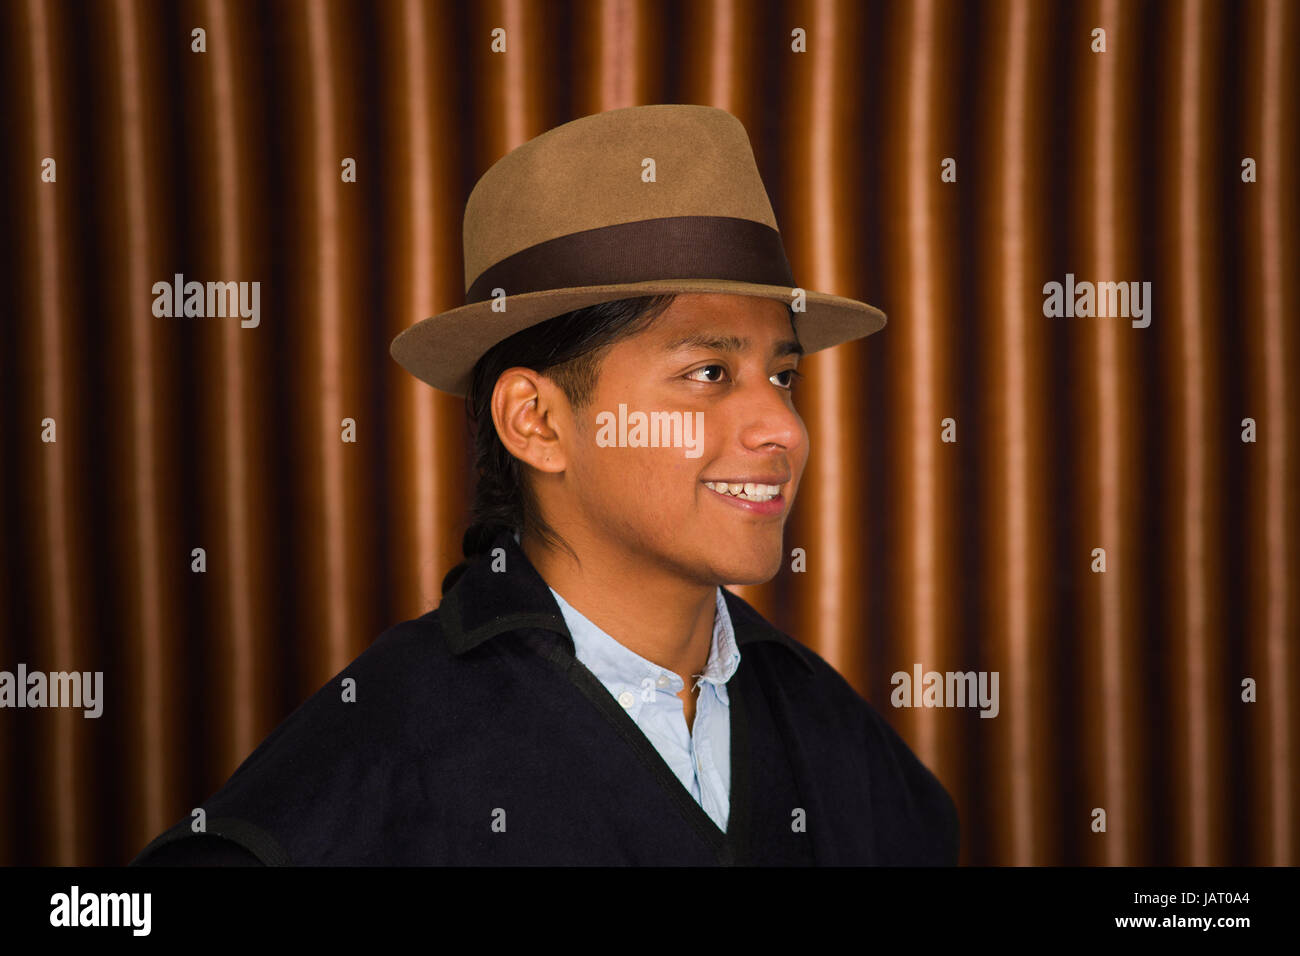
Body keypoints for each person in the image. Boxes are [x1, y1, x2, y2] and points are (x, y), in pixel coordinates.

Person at [131, 104, 958, 866]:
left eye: (782, 377)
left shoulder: (835, 736)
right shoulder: (390, 742)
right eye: (709, 371)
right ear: (536, 421)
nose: (781, 430)